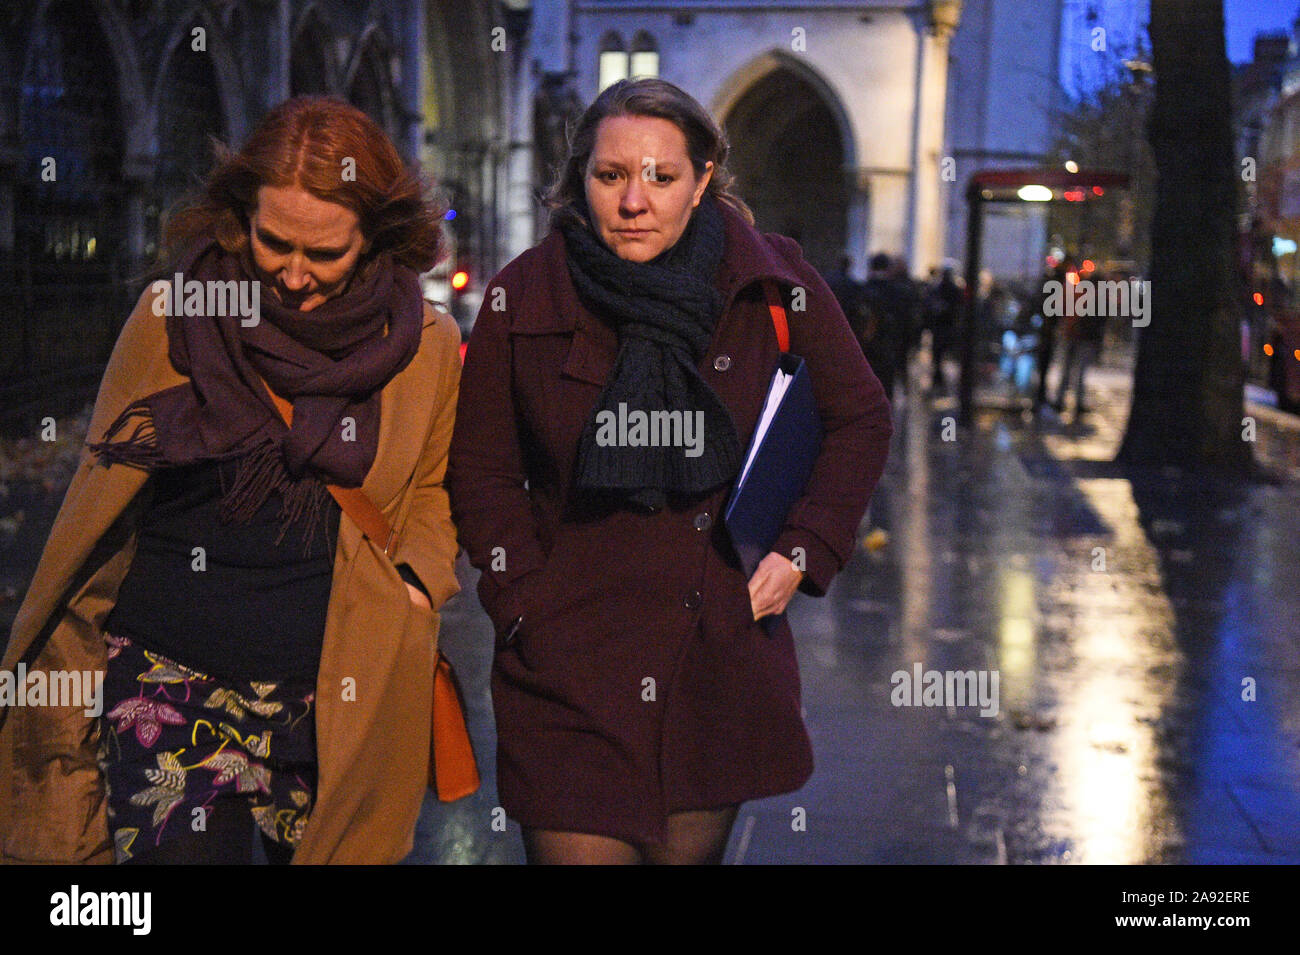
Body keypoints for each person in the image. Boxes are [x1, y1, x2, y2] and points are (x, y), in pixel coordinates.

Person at [0, 96, 463, 864]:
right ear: (238, 216)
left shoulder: (424, 346)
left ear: (377, 238)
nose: (293, 274)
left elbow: (430, 493)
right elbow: (101, 494)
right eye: (272, 242)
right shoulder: (171, 314)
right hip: (166, 679)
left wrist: (416, 582)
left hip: (332, 690)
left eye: (326, 253)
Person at [447, 78, 893, 865]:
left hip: (711, 654)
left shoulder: (769, 279)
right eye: (611, 175)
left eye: (661, 176)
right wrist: (521, 600)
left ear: (703, 180)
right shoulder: (526, 291)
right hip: (567, 664)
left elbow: (860, 418)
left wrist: (802, 550)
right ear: (579, 178)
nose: (633, 201)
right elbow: (482, 470)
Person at [926, 266, 963, 392]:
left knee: (942, 357)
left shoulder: (945, 289)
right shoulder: (941, 289)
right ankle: (939, 380)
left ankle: (941, 380)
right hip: (943, 327)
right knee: (939, 358)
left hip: (945, 327)